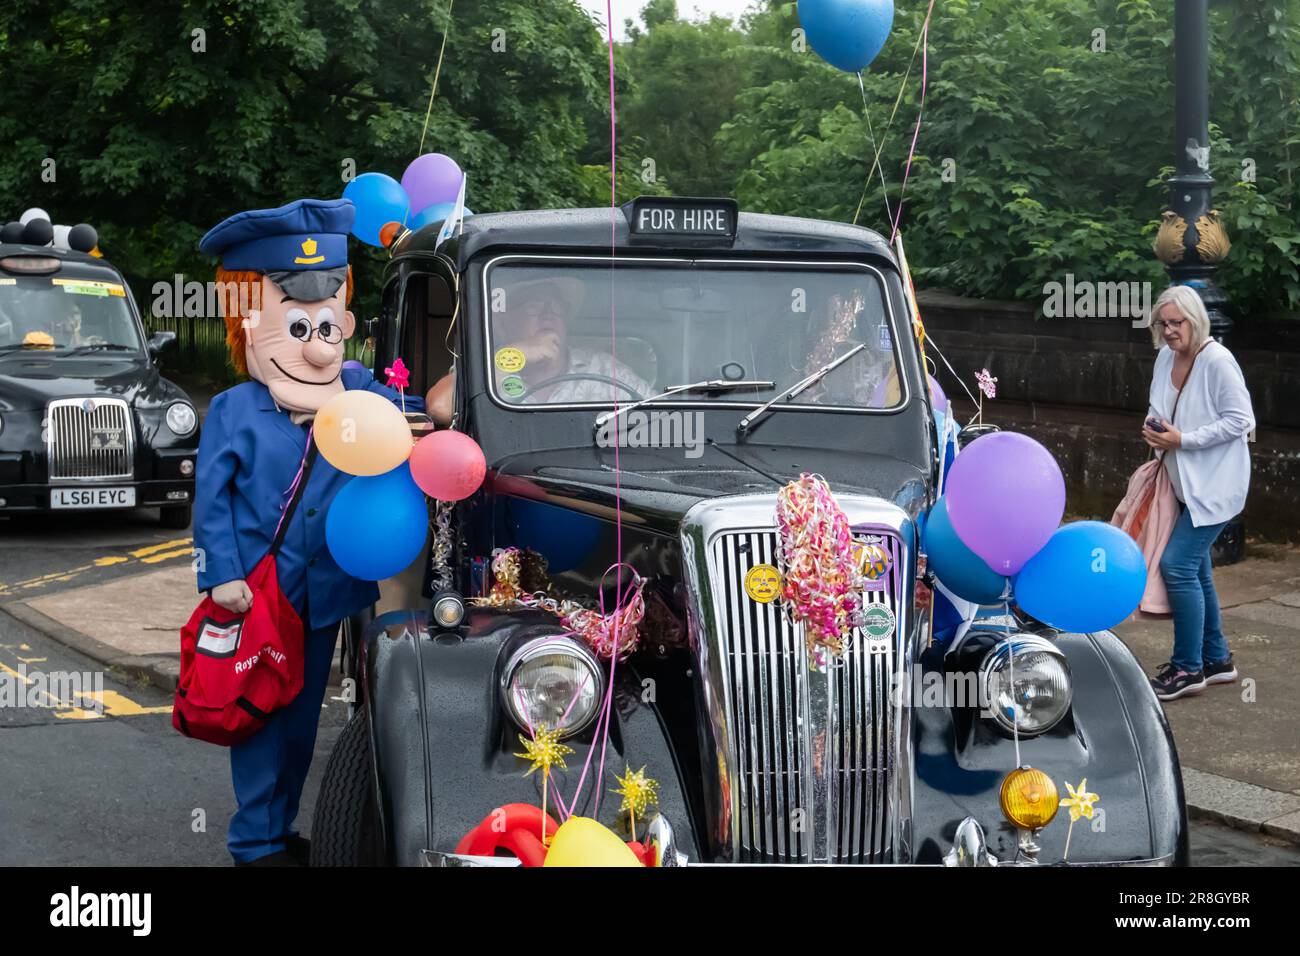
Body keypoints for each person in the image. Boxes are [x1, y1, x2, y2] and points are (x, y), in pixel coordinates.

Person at [195, 198, 438, 865]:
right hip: (258, 595)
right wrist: (220, 573)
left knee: (301, 721)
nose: (315, 339)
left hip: (324, 593)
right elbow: (212, 501)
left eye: (328, 320)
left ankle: (281, 832)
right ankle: (255, 843)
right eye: (296, 321)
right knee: (259, 718)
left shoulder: (358, 389)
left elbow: (413, 414)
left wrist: (439, 406)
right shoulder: (234, 410)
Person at [1141, 285, 1255, 702]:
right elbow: (1159, 408)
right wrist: (1155, 429)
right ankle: (1218, 659)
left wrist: (1184, 439)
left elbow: (1240, 420)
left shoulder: (1218, 361)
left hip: (1217, 486)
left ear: (1195, 320)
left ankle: (1188, 668)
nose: (1170, 331)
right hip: (1185, 483)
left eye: (1177, 322)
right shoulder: (1164, 357)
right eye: (1163, 323)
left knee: (1178, 565)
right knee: (1198, 569)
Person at [427, 275, 650, 424]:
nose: (548, 314)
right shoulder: (487, 365)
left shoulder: (602, 367)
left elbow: (661, 417)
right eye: (533, 305)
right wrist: (512, 356)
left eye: (556, 306)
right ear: (505, 323)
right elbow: (440, 407)